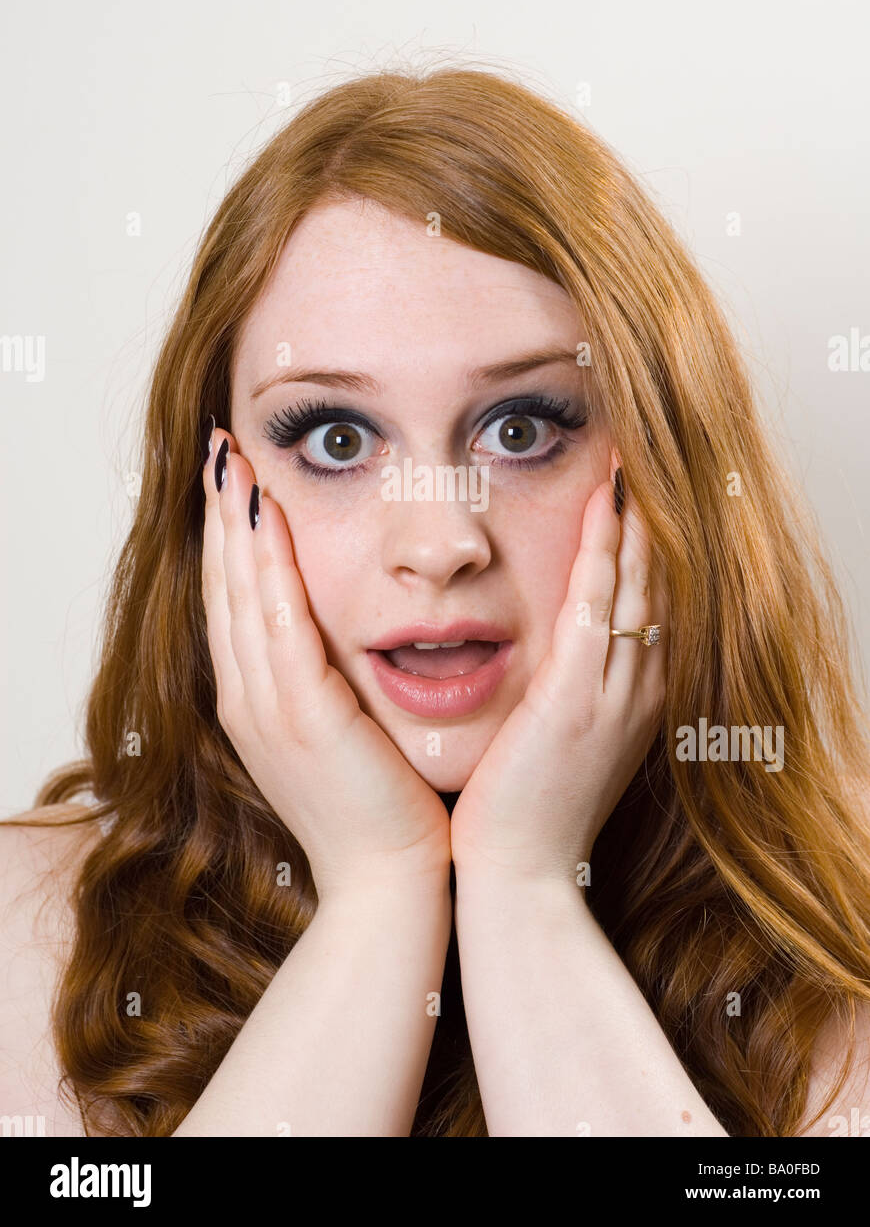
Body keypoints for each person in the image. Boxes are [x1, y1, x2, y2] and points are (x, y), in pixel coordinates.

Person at [2, 65, 869, 1138]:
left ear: (666, 470)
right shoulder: (21, 933)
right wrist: (379, 891)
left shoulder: (845, 953)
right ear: (216, 491)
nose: (441, 543)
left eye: (521, 428)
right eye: (335, 438)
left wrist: (525, 889)